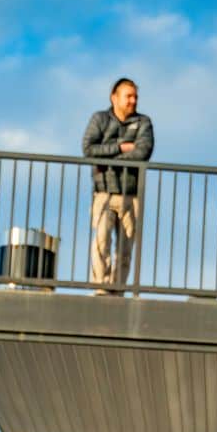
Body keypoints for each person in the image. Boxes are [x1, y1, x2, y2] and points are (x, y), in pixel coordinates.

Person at [81, 76, 155, 289]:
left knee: (125, 250)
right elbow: (88, 149)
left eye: (135, 97)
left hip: (131, 195)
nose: (133, 101)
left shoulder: (143, 122)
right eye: (128, 96)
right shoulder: (100, 119)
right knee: (101, 243)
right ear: (114, 97)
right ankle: (101, 288)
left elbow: (143, 153)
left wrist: (107, 159)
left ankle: (118, 290)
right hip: (103, 192)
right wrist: (121, 147)